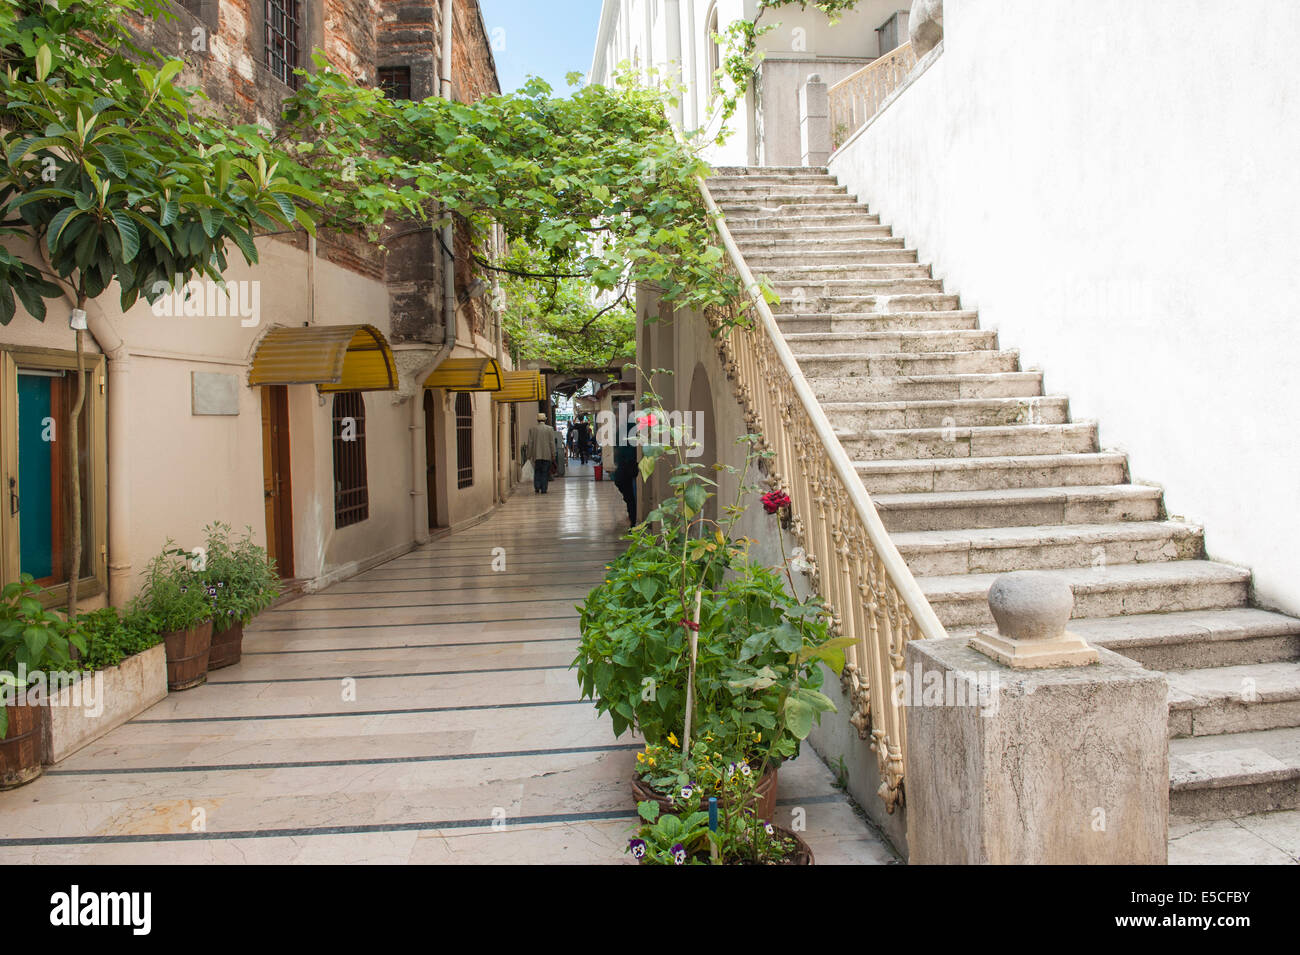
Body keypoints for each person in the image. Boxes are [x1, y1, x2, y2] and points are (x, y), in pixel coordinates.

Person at [526, 412, 559, 494]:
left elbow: (530, 444)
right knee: (545, 472)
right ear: (545, 420)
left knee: (537, 471)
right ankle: (544, 489)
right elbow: (552, 443)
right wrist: (553, 454)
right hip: (546, 455)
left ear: (537, 420)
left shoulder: (532, 429)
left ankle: (537, 487)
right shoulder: (549, 429)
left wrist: (528, 455)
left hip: (536, 455)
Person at [612, 420, 638, 525]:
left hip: (623, 470)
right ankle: (633, 520)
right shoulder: (632, 428)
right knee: (632, 499)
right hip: (629, 468)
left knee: (630, 499)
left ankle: (633, 519)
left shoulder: (625, 428)